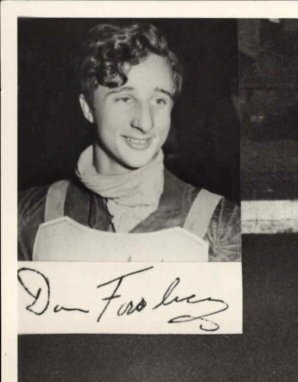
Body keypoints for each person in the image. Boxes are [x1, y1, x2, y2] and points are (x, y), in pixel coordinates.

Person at [18, 22, 241, 262]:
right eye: (125, 99)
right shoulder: (31, 216)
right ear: (88, 108)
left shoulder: (220, 224)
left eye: (159, 100)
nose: (145, 123)